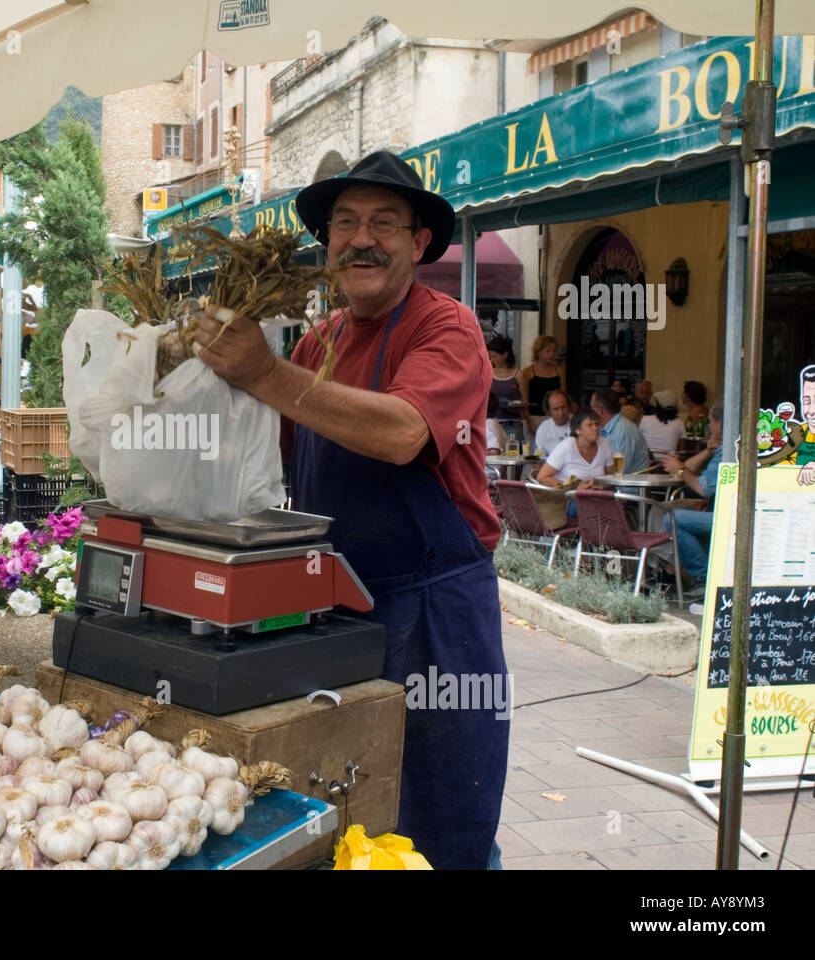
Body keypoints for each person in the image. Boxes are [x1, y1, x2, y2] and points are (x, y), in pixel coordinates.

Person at [190, 150, 507, 871]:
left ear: (419, 242)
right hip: (335, 609)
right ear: (327, 242)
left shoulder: (446, 329)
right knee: (346, 804)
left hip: (434, 621)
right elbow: (260, 456)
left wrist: (266, 372)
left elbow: (400, 433)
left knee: (440, 816)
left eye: (385, 223)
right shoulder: (319, 341)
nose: (362, 239)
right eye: (346, 223)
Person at [660, 401, 725, 594]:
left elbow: (701, 487)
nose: (709, 427)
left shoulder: (727, 449)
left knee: (672, 519)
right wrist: (707, 451)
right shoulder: (721, 447)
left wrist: (679, 468)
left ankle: (705, 579)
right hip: (717, 507)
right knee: (670, 509)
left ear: (720, 425)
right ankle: (667, 566)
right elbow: (690, 468)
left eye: (711, 422)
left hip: (728, 515)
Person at [536, 408, 614, 490]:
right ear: (578, 430)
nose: (595, 428)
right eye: (590, 425)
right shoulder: (567, 446)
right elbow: (542, 477)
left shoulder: (604, 444)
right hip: (568, 498)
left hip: (597, 497)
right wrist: (573, 487)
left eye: (597, 424)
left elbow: (610, 478)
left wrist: (600, 487)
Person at [591, 388, 650, 473]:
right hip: (612, 481)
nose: (590, 411)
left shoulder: (622, 433)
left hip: (627, 484)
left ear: (600, 410)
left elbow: (618, 471)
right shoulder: (605, 427)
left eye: (592, 407)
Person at [516, 334, 564, 432]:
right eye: (548, 351)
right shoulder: (527, 372)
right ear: (538, 352)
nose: (552, 354)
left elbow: (564, 395)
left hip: (554, 417)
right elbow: (524, 401)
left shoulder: (560, 371)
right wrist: (529, 422)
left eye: (554, 351)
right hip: (534, 417)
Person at [639, 389, 687, 464]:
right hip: (669, 466)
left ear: (657, 405)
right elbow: (682, 450)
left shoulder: (645, 419)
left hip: (647, 466)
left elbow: (639, 442)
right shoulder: (680, 423)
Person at [533, 389, 574, 457]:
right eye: (556, 409)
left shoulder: (579, 423)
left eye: (563, 407)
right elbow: (540, 454)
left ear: (569, 406)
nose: (561, 413)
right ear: (549, 411)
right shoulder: (544, 428)